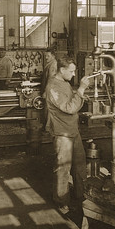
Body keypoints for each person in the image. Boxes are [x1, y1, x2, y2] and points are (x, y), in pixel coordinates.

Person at [45, 55, 91, 214]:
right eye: (71, 71)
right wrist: (82, 89)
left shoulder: (64, 83)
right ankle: (62, 201)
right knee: (63, 168)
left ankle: (81, 196)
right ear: (62, 70)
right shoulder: (53, 87)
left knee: (79, 165)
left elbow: (71, 99)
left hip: (73, 130)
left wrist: (80, 95)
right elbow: (70, 108)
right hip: (62, 133)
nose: (73, 75)